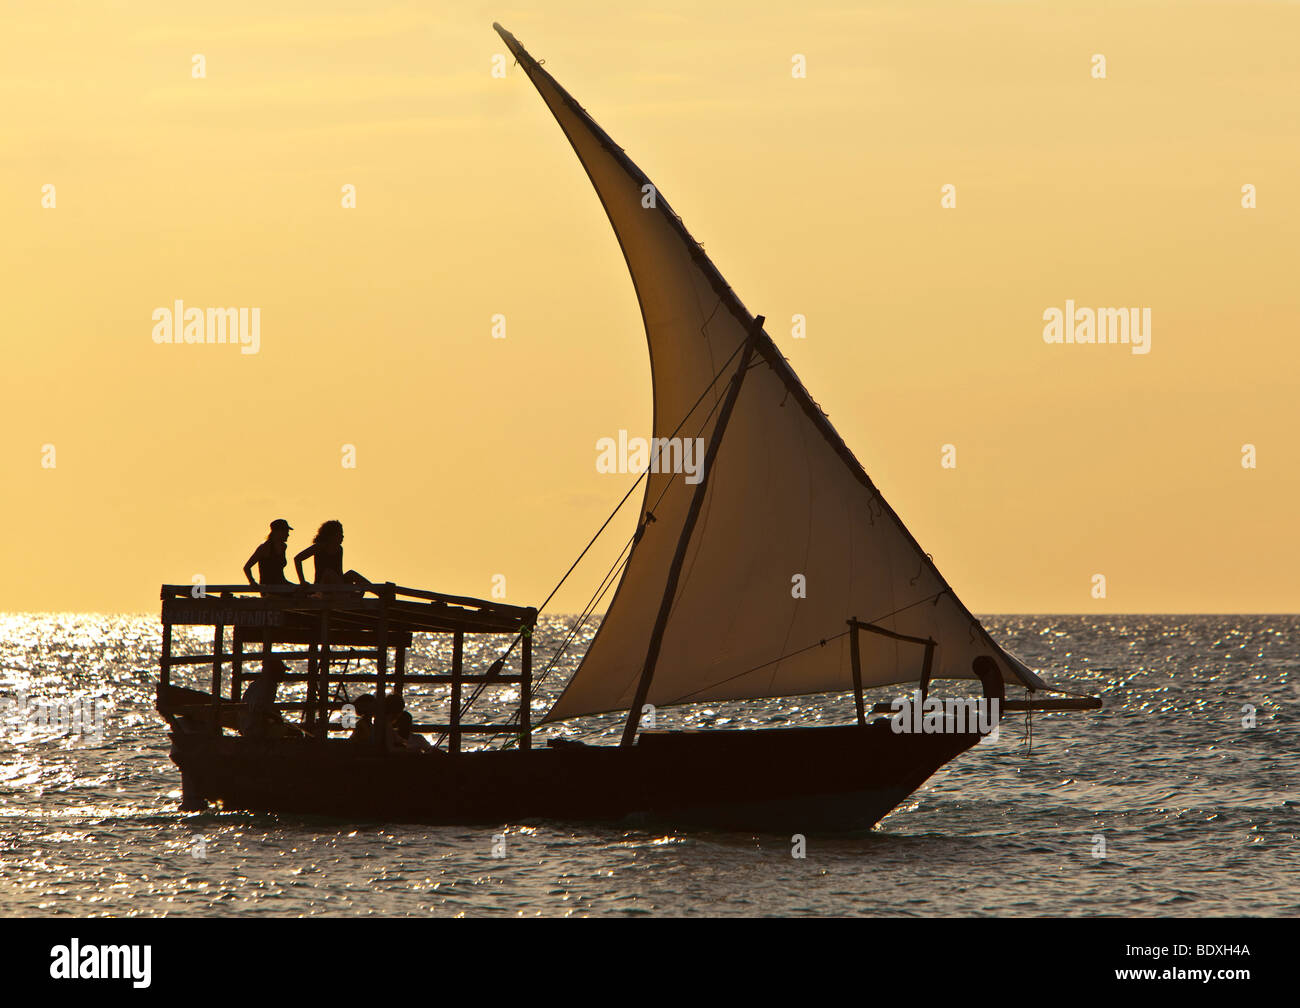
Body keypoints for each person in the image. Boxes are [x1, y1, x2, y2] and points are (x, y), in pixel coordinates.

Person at [294, 520, 369, 593]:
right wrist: (302, 581)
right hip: (322, 585)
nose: (342, 536)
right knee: (328, 573)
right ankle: (346, 592)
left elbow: (339, 572)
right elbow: (297, 559)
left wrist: (349, 583)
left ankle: (375, 591)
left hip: (337, 584)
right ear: (332, 535)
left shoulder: (339, 549)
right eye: (340, 533)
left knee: (351, 574)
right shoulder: (319, 546)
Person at [238, 657, 291, 738]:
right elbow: (260, 710)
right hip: (256, 729)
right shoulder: (269, 686)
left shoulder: (255, 684)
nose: (283, 674)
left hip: (246, 727)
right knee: (296, 733)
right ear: (274, 672)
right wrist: (276, 717)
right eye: (281, 671)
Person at [243, 519, 293, 593]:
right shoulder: (265, 547)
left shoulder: (283, 547)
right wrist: (252, 582)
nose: (288, 535)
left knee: (306, 591)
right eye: (286, 532)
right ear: (277, 532)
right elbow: (247, 567)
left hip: (282, 584)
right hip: (268, 588)